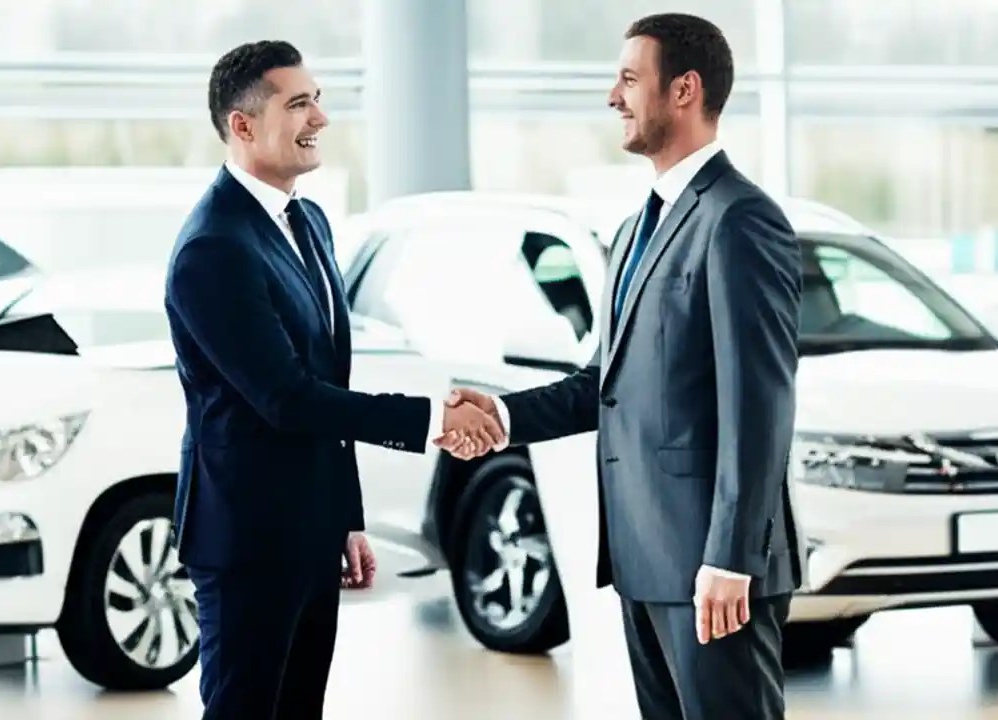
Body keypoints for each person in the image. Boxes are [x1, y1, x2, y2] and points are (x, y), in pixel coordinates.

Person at [440, 13, 803, 720]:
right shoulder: (637, 227)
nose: (614, 97)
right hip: (645, 557)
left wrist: (731, 558)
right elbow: (602, 385)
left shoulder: (739, 220)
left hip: (711, 565)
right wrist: (502, 415)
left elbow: (759, 406)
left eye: (630, 80)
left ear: (684, 90)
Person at [163, 40, 503, 719]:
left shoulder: (308, 220)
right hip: (248, 537)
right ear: (242, 125)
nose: (320, 117)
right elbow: (287, 399)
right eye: (299, 104)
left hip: (310, 529)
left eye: (317, 99)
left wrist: (344, 517)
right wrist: (434, 420)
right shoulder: (213, 247)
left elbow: (328, 377)